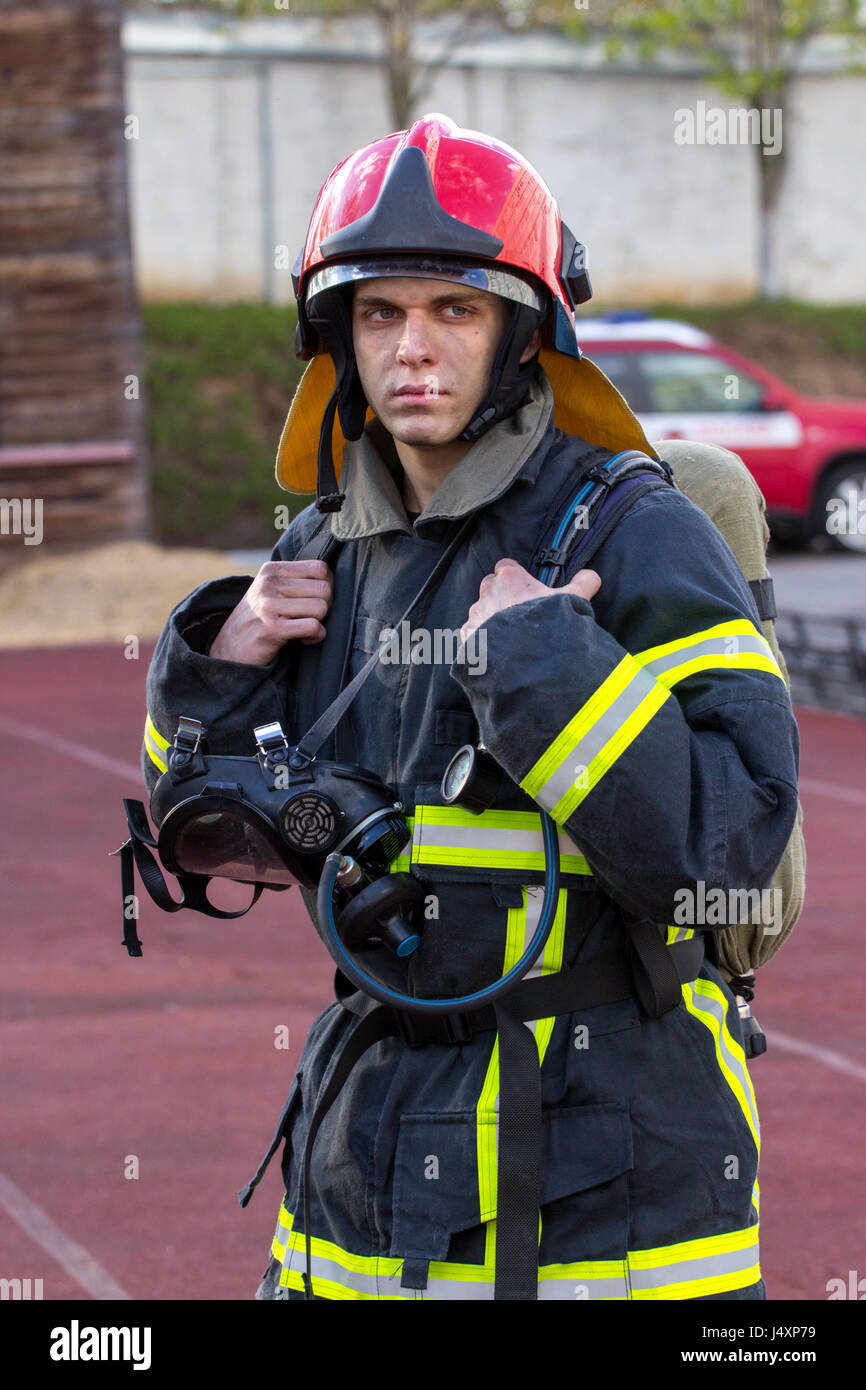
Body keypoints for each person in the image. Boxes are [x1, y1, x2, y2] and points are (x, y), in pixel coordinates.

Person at [142, 114, 801, 1301]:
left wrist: (546, 667)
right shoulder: (318, 550)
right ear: (337, 337)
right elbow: (204, 830)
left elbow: (732, 855)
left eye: (455, 310)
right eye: (380, 312)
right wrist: (219, 666)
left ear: (519, 334)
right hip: (369, 1145)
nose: (413, 349)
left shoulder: (634, 532)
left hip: (615, 1178)